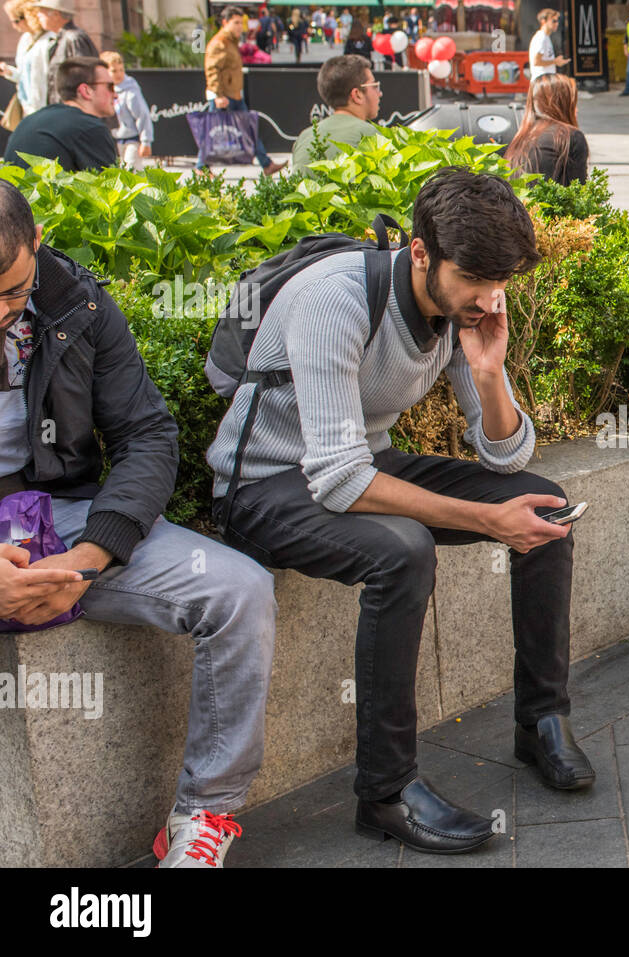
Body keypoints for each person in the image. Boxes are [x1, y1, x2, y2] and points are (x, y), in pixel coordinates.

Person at [207, 167, 595, 854]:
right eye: (475, 278)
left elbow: (504, 457)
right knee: (403, 550)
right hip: (264, 486)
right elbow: (335, 479)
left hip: (358, 464)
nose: (490, 296)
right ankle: (385, 791)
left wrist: (485, 371)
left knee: (544, 506)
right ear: (421, 253)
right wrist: (485, 521)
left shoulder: (465, 312)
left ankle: (541, 720)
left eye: (502, 278)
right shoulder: (338, 301)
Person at [0, 182, 277, 867]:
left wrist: (92, 556)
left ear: (37, 244)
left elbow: (148, 436)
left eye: (9, 294)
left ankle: (203, 813)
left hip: (64, 518)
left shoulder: (81, 303)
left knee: (240, 590)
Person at [204, 7, 286, 176]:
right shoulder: (219, 43)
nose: (239, 27)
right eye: (235, 23)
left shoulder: (231, 41)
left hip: (233, 95)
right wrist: (219, 95)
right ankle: (201, 166)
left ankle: (266, 164)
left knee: (248, 129)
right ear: (225, 22)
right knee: (214, 132)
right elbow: (212, 70)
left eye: (241, 23)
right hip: (223, 96)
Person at [4, 56, 115, 171]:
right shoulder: (90, 128)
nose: (115, 94)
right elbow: (108, 183)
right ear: (86, 91)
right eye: (110, 87)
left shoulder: (29, 121)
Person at [291, 54, 380, 170]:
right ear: (357, 95)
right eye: (374, 86)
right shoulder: (370, 135)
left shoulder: (304, 138)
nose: (379, 93)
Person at [503, 72, 587, 186]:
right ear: (564, 103)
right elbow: (579, 192)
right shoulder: (570, 136)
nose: (577, 109)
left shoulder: (523, 135)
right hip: (547, 203)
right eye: (574, 103)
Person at [33, 0, 95, 107]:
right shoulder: (60, 39)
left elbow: (83, 79)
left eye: (42, 11)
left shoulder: (74, 38)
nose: (38, 15)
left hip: (74, 113)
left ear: (56, 14)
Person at [1, 0, 55, 121]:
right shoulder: (25, 40)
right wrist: (9, 72)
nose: (14, 26)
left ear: (28, 17)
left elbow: (45, 78)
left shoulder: (48, 40)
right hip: (27, 108)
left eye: (16, 21)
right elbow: (24, 76)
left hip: (44, 108)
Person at [99, 51, 152, 172]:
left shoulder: (131, 90)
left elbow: (142, 114)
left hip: (132, 139)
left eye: (121, 70)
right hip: (115, 140)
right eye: (114, 71)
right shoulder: (105, 90)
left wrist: (146, 141)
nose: (119, 74)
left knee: (131, 171)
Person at [528, 8, 568, 82]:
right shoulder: (541, 38)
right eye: (554, 21)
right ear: (543, 21)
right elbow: (536, 62)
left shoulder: (546, 37)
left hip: (545, 82)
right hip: (541, 82)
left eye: (557, 21)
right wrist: (555, 61)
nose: (557, 23)